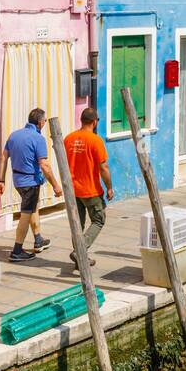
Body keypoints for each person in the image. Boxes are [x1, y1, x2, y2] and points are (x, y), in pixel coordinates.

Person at [0, 108, 62, 262]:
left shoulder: (14, 135)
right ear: (40, 122)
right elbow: (44, 165)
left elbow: (3, 158)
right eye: (45, 121)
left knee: (33, 208)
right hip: (30, 183)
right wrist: (55, 185)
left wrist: (1, 180)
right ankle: (17, 250)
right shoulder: (38, 138)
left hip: (18, 180)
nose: (45, 123)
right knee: (26, 214)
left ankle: (38, 240)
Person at [63, 107, 113, 268]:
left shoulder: (68, 139)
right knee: (98, 220)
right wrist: (109, 188)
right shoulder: (95, 140)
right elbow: (103, 167)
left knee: (77, 224)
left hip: (72, 190)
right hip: (90, 190)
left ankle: (80, 259)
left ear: (81, 120)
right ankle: (80, 251)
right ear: (94, 122)